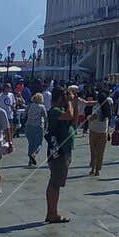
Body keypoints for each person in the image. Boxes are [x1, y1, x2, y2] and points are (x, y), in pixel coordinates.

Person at [45, 86, 76, 223]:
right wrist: (69, 101)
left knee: (56, 183)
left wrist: (73, 103)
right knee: (55, 183)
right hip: (58, 151)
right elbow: (69, 115)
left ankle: (52, 212)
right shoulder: (55, 111)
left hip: (64, 150)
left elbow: (73, 119)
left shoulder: (61, 110)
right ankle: (52, 213)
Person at [87, 89, 113, 175]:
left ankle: (93, 168)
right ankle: (98, 170)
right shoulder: (107, 107)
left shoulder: (96, 107)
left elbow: (93, 117)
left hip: (94, 130)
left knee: (93, 151)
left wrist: (88, 117)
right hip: (103, 131)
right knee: (100, 152)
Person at [23, 93, 46, 166]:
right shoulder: (42, 107)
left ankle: (30, 160)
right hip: (38, 126)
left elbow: (24, 115)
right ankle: (34, 154)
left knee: (31, 143)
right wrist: (46, 127)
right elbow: (45, 117)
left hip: (29, 126)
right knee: (38, 143)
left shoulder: (29, 106)